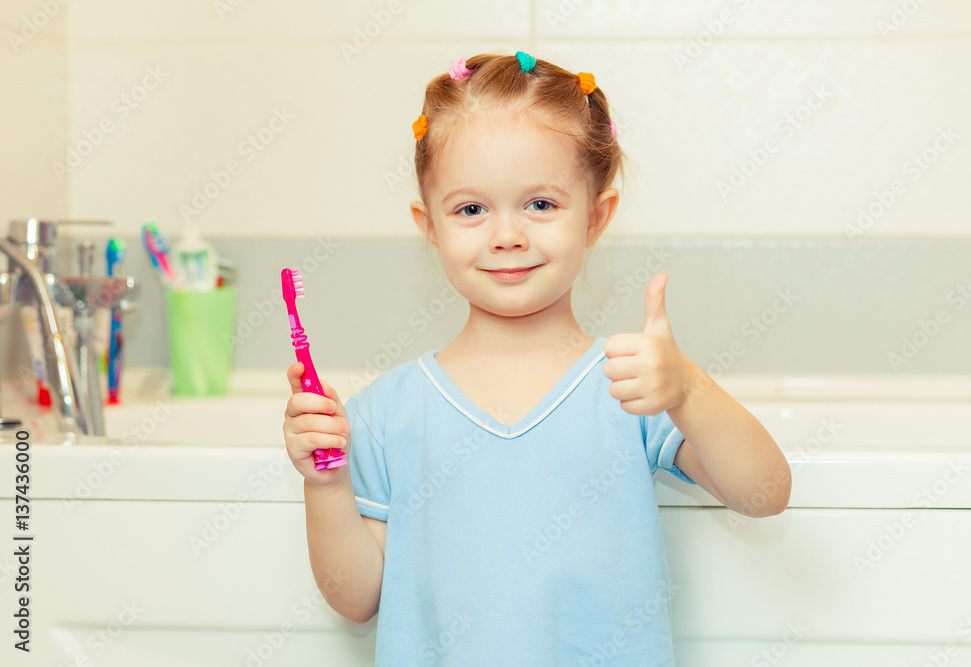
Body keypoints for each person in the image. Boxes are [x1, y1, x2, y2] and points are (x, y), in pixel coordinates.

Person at [283, 51, 791, 666]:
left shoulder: (629, 385)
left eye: (541, 205)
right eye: (471, 209)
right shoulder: (385, 414)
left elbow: (765, 493)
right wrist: (326, 485)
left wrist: (687, 387)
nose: (507, 236)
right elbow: (354, 598)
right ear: (430, 227)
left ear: (597, 217)